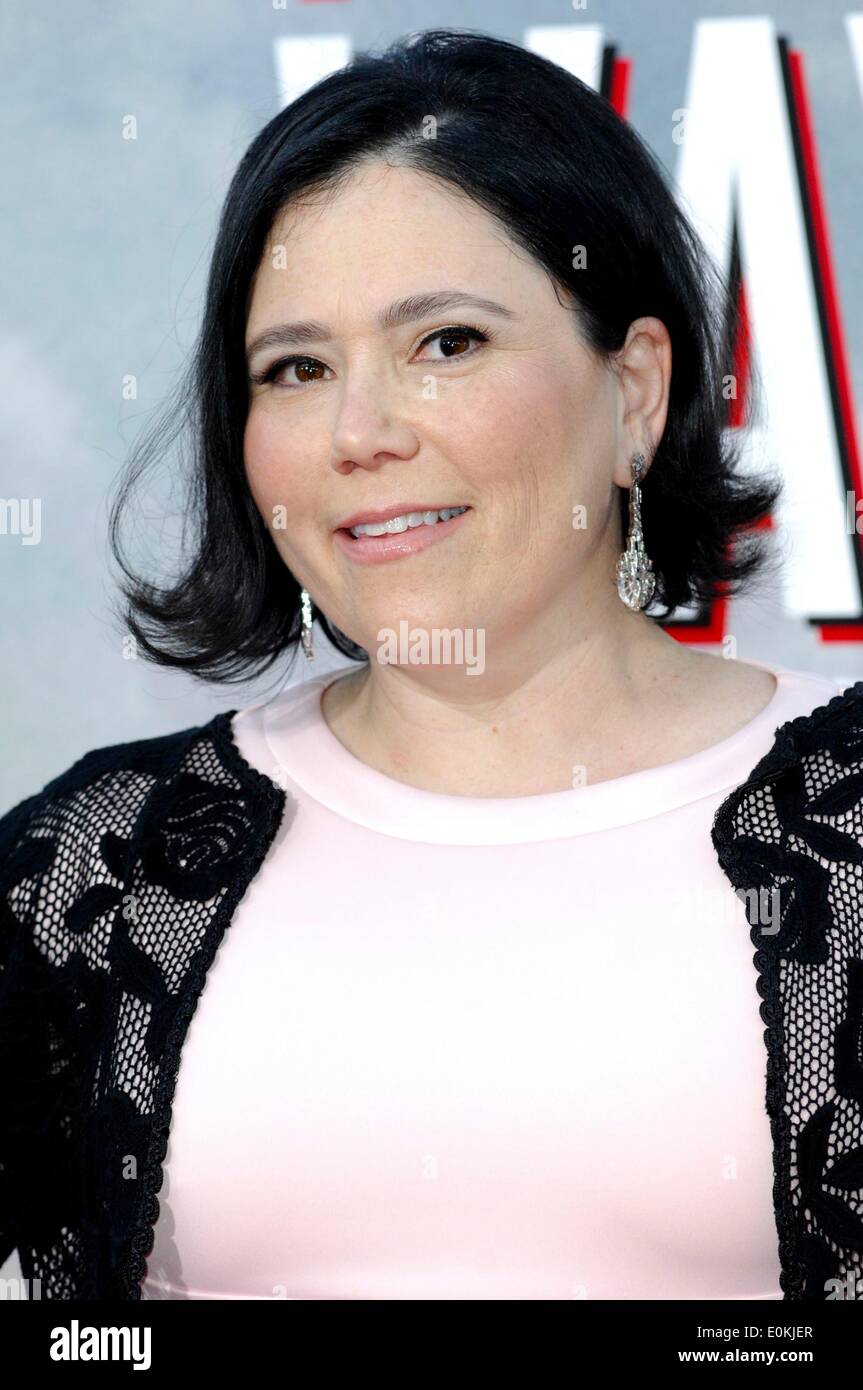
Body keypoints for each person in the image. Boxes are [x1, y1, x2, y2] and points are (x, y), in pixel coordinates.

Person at [1, 28, 861, 1303]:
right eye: (296, 369)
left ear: (634, 390)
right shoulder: (98, 867)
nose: (358, 433)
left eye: (445, 343)